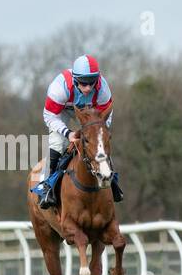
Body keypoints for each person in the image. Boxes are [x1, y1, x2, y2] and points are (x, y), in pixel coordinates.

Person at [33, 54, 118, 209]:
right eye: (83, 83)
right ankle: (46, 188)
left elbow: (106, 115)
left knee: (99, 143)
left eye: (91, 83)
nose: (88, 88)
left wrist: (99, 133)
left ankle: (114, 183)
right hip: (62, 112)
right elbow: (49, 116)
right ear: (75, 79)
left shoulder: (103, 89)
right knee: (58, 143)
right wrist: (68, 133)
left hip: (90, 113)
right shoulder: (59, 88)